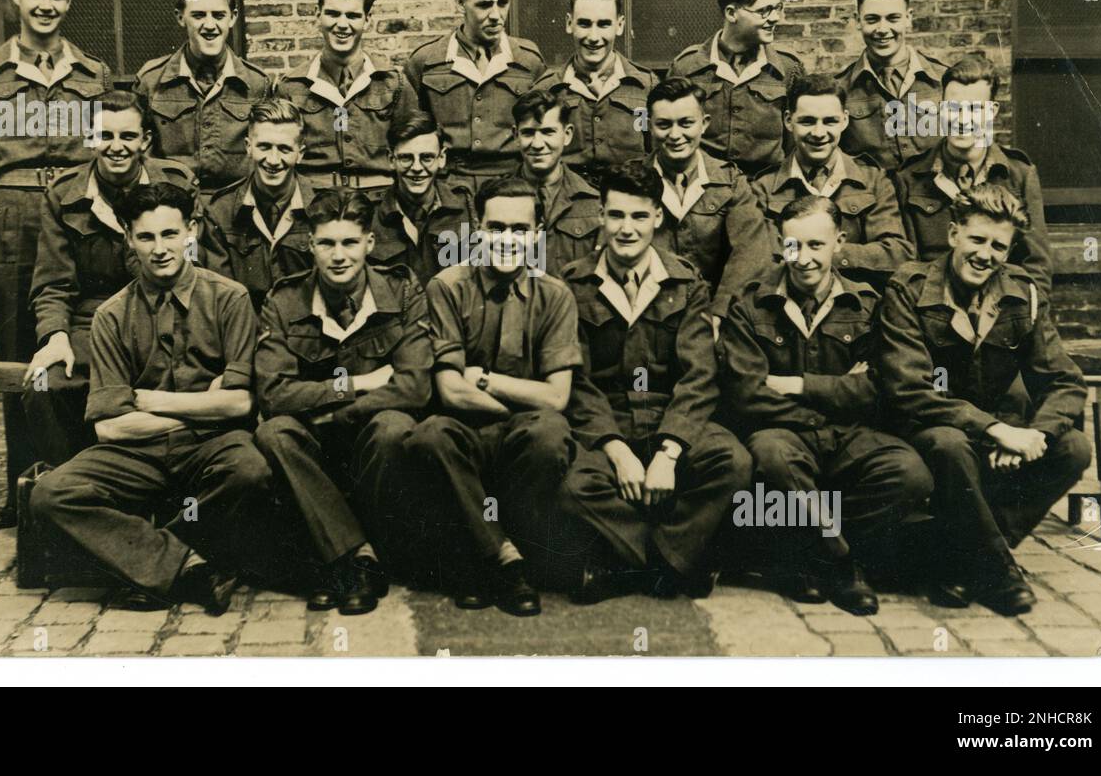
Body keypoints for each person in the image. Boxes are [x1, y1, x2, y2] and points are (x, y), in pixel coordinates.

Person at [29, 182, 273, 615]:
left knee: (249, 469)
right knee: (52, 493)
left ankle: (155, 571)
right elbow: (109, 426)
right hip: (138, 452)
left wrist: (144, 400)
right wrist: (203, 408)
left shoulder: (229, 299)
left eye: (168, 234)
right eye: (145, 237)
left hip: (211, 449)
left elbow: (240, 405)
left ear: (190, 232)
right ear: (128, 238)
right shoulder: (111, 315)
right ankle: (191, 567)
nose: (159, 248)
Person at [0, 0, 113, 530]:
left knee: (77, 339)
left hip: (75, 214)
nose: (46, 5)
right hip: (12, 220)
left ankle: (78, 479)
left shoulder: (94, 75)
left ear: (69, 4)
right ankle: (22, 487)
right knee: (19, 353)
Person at [878, 184, 1091, 616]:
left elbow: (1065, 382)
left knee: (1073, 448)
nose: (985, 254)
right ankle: (996, 569)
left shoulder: (1022, 295)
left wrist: (1033, 433)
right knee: (949, 443)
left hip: (995, 434)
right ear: (954, 233)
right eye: (977, 239)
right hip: (924, 430)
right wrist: (996, 430)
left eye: (999, 246)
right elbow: (909, 389)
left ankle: (963, 560)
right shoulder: (909, 288)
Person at [720, 195, 932, 614]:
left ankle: (805, 555)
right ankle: (843, 561)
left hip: (852, 434)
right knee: (771, 455)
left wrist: (794, 384)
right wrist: (833, 397)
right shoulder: (750, 305)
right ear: (781, 246)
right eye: (793, 246)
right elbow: (747, 393)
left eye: (816, 245)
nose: (803, 259)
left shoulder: (869, 306)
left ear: (839, 242)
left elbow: (879, 389)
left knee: (910, 473)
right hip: (785, 432)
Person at [560, 161, 752, 603]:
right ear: (601, 216)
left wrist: (669, 451)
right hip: (608, 423)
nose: (627, 229)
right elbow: (579, 380)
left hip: (670, 418)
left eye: (639, 216)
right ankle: (671, 563)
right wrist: (617, 450)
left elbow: (699, 375)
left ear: (658, 217)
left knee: (733, 463)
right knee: (572, 485)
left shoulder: (685, 282)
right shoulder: (573, 284)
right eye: (616, 215)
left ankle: (627, 565)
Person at [401, 176, 582, 616]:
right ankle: (504, 560)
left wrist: (484, 380)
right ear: (476, 229)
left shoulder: (555, 295)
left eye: (519, 230)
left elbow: (556, 398)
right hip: (465, 431)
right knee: (430, 436)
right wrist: (520, 399)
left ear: (537, 235)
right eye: (495, 227)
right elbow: (448, 389)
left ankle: (479, 557)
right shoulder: (447, 286)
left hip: (522, 434)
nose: (507, 240)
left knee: (550, 433)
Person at [252, 189, 432, 616]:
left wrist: (334, 412)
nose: (338, 255)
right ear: (310, 245)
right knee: (273, 432)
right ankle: (358, 559)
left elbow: (414, 388)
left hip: (372, 448)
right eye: (327, 243)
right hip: (312, 452)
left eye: (349, 242)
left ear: (369, 243)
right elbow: (274, 394)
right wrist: (357, 385)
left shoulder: (402, 291)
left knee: (394, 426)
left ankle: (335, 560)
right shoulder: (283, 301)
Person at [23, 87, 197, 469]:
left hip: (164, 317)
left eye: (128, 136)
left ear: (145, 141)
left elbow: (193, 270)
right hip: (93, 323)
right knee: (45, 385)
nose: (116, 147)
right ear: (89, 139)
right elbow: (54, 282)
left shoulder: (176, 185)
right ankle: (68, 486)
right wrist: (55, 337)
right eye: (105, 135)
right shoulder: (64, 194)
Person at [893, 55, 1052, 297]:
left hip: (1000, 310)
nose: (962, 119)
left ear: (992, 111)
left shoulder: (1019, 175)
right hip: (930, 310)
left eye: (974, 109)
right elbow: (907, 265)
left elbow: (1036, 267)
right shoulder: (910, 177)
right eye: (953, 108)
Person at [752, 73, 913, 290]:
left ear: (844, 120)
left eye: (830, 121)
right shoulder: (764, 188)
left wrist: (826, 254)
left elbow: (896, 253)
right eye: (807, 121)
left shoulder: (873, 180)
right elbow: (761, 257)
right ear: (789, 120)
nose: (819, 133)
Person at [644, 76, 775, 338]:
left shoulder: (730, 181)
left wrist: (719, 313)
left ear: (704, 125)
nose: (675, 135)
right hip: (648, 316)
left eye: (686, 123)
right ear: (650, 127)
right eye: (663, 125)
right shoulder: (633, 180)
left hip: (715, 317)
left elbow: (750, 252)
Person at [274, 0, 422, 192]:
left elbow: (414, 149)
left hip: (379, 203)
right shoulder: (292, 86)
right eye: (333, 14)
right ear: (318, 15)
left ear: (367, 20)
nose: (342, 25)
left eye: (352, 16)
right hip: (315, 202)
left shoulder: (393, 83)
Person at [404, 0, 545, 182]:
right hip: (453, 190)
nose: (496, 16)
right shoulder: (427, 61)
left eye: (503, 3)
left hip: (512, 188)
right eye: (484, 5)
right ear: (460, 3)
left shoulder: (528, 61)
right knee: (463, 221)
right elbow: (410, 135)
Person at [134, 0, 272, 195]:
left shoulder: (257, 83)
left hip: (235, 211)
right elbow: (137, 153)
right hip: (170, 209)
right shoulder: (151, 80)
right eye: (198, 15)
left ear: (233, 17)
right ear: (180, 17)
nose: (210, 25)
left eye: (218, 15)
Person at [668, 0, 805, 178]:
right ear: (731, 13)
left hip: (767, 192)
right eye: (764, 11)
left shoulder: (788, 68)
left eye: (777, 8)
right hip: (705, 189)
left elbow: (796, 142)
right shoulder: (688, 67)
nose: (775, 17)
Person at [532, 0, 656, 182]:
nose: (593, 36)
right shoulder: (548, 89)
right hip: (568, 205)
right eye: (584, 24)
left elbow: (655, 152)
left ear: (620, 25)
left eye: (604, 24)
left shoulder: (645, 86)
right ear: (569, 23)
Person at [199, 99, 317, 311]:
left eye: (284, 149)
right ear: (248, 147)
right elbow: (222, 297)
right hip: (245, 330)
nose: (273, 160)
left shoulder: (322, 207)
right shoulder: (220, 211)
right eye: (264, 147)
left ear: (301, 153)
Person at [835, 0, 950, 170]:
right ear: (858, 21)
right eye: (872, 19)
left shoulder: (945, 81)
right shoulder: (840, 89)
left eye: (893, 18)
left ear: (908, 18)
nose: (882, 29)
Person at [367, 117, 475, 284]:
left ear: (441, 158)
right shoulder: (371, 213)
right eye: (406, 158)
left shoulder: (466, 206)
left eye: (426, 158)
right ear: (390, 159)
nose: (416, 168)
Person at [511, 89, 603, 276]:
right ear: (515, 136)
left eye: (548, 132)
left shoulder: (593, 202)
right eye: (528, 133)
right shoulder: (498, 201)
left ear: (567, 134)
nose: (537, 144)